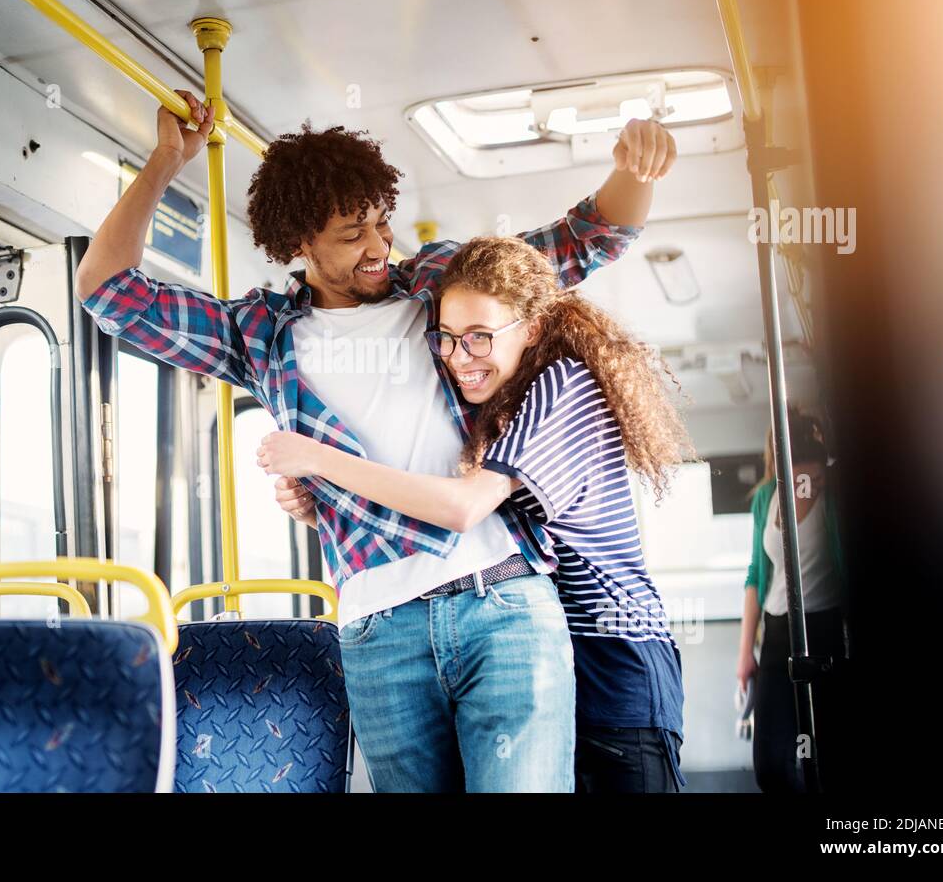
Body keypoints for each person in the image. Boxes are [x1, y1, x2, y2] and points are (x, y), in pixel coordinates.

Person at [75, 89, 675, 791]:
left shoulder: (437, 285)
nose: (378, 245)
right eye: (353, 231)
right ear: (299, 242)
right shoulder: (261, 336)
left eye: (382, 223)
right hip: (377, 630)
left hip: (503, 606)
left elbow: (584, 240)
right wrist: (163, 162)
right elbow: (108, 291)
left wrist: (637, 170)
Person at [261, 236, 693, 792]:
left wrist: (319, 457)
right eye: (447, 338)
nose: (459, 358)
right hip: (572, 663)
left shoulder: (563, 388)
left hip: (615, 667)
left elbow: (463, 508)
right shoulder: (498, 408)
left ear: (531, 329)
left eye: (479, 338)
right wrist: (324, 511)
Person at [736, 407, 848, 792]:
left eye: (818, 477)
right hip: (777, 635)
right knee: (771, 765)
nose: (811, 487)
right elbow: (755, 576)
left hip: (826, 630)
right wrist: (745, 652)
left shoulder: (835, 499)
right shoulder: (766, 497)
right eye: (802, 480)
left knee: (832, 757)